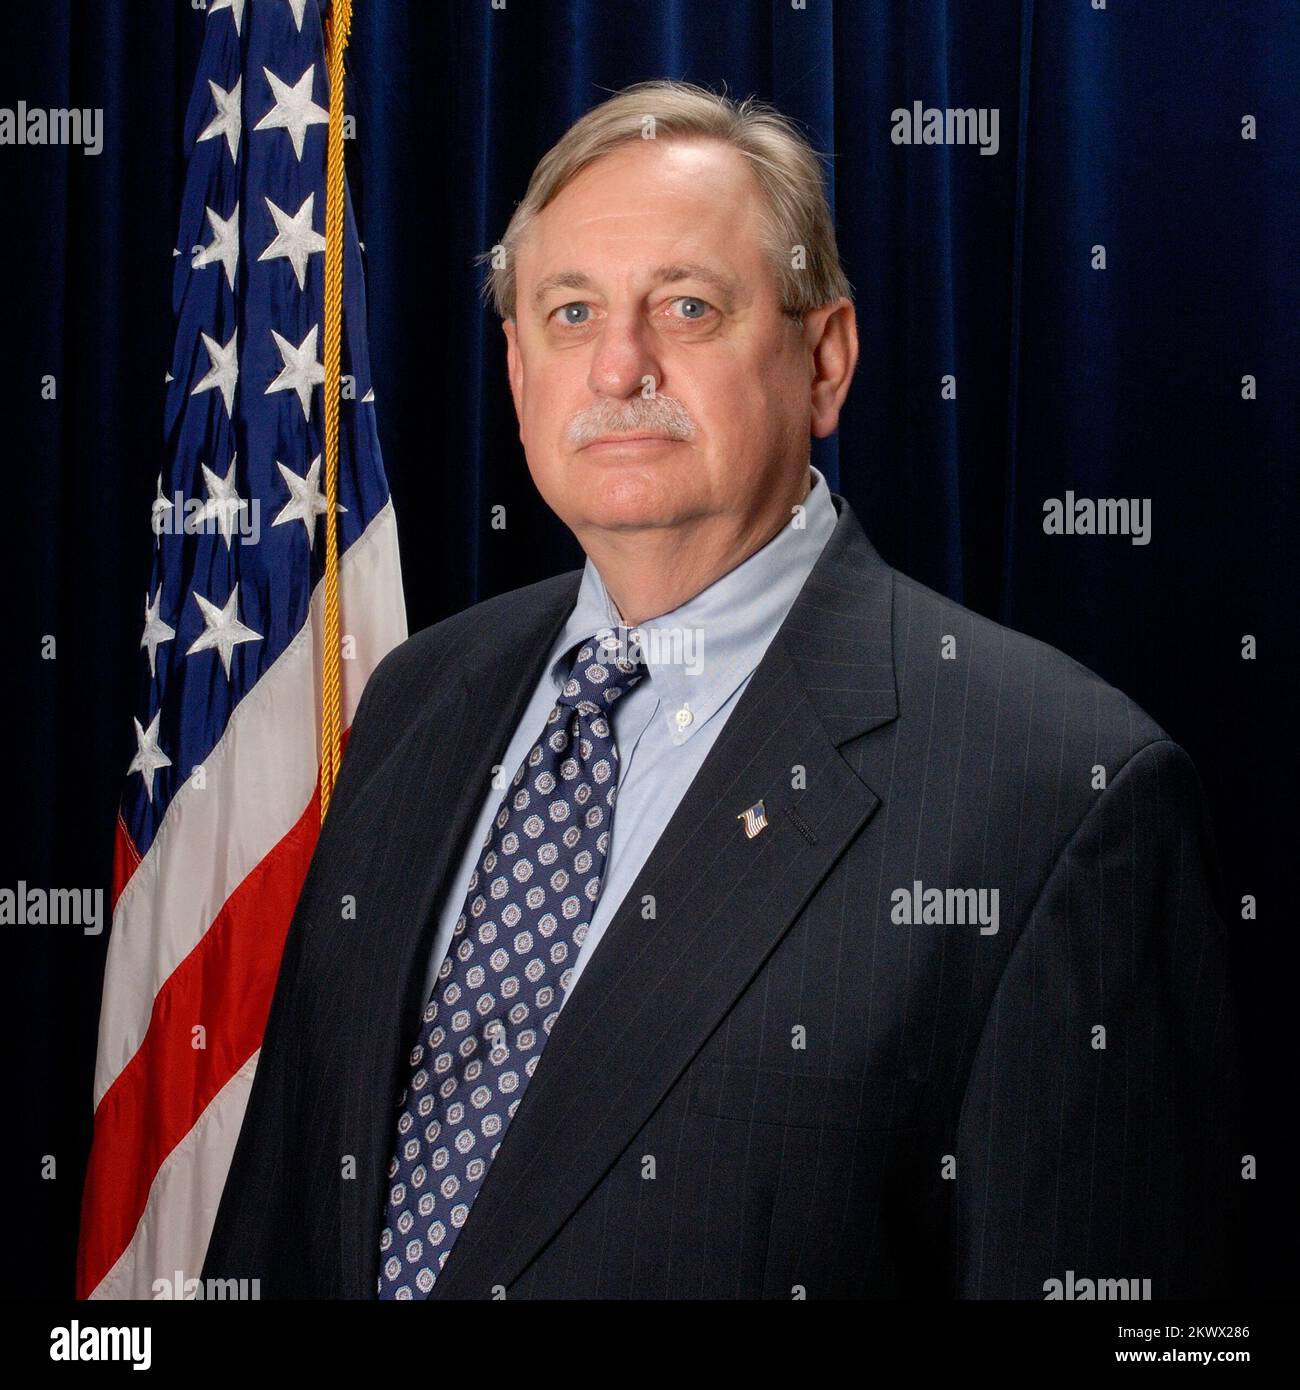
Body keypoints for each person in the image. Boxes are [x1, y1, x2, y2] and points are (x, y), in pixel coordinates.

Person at [203, 80, 1241, 1300]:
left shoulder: (1062, 798)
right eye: (570, 311)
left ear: (825, 360)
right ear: (517, 367)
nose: (621, 364)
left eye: (687, 307)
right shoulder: (418, 697)